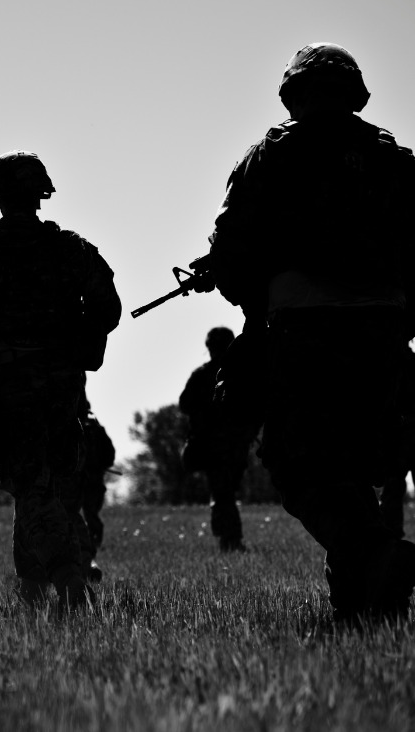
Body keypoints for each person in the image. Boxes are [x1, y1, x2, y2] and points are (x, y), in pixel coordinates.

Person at [207, 42, 415, 622]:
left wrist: (256, 298)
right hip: (385, 332)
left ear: (293, 95)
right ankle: (364, 605)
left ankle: (377, 555)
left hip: (305, 328)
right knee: (352, 465)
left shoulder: (272, 156)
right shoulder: (395, 161)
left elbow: (230, 253)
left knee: (300, 467)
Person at [0, 151, 121, 609]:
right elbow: (108, 309)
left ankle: (67, 577)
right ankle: (33, 588)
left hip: (7, 382)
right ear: (42, 193)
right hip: (62, 386)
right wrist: (76, 348)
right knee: (42, 480)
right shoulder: (71, 250)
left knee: (32, 480)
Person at [178, 327, 251, 552]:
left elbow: (185, 404)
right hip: (230, 445)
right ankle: (230, 540)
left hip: (218, 446)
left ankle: (229, 540)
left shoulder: (204, 375)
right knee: (224, 493)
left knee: (222, 494)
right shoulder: (242, 374)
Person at [76, 390, 115, 581]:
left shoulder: (73, 425)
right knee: (91, 517)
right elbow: (110, 455)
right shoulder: (96, 427)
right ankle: (91, 550)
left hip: (76, 480)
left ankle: (86, 557)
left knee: (73, 516)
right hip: (94, 481)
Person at [379, 343, 415, 538]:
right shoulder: (401, 362)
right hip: (401, 432)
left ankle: (391, 534)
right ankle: (391, 534)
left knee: (393, 487)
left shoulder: (393, 363)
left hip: (401, 433)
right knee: (393, 486)